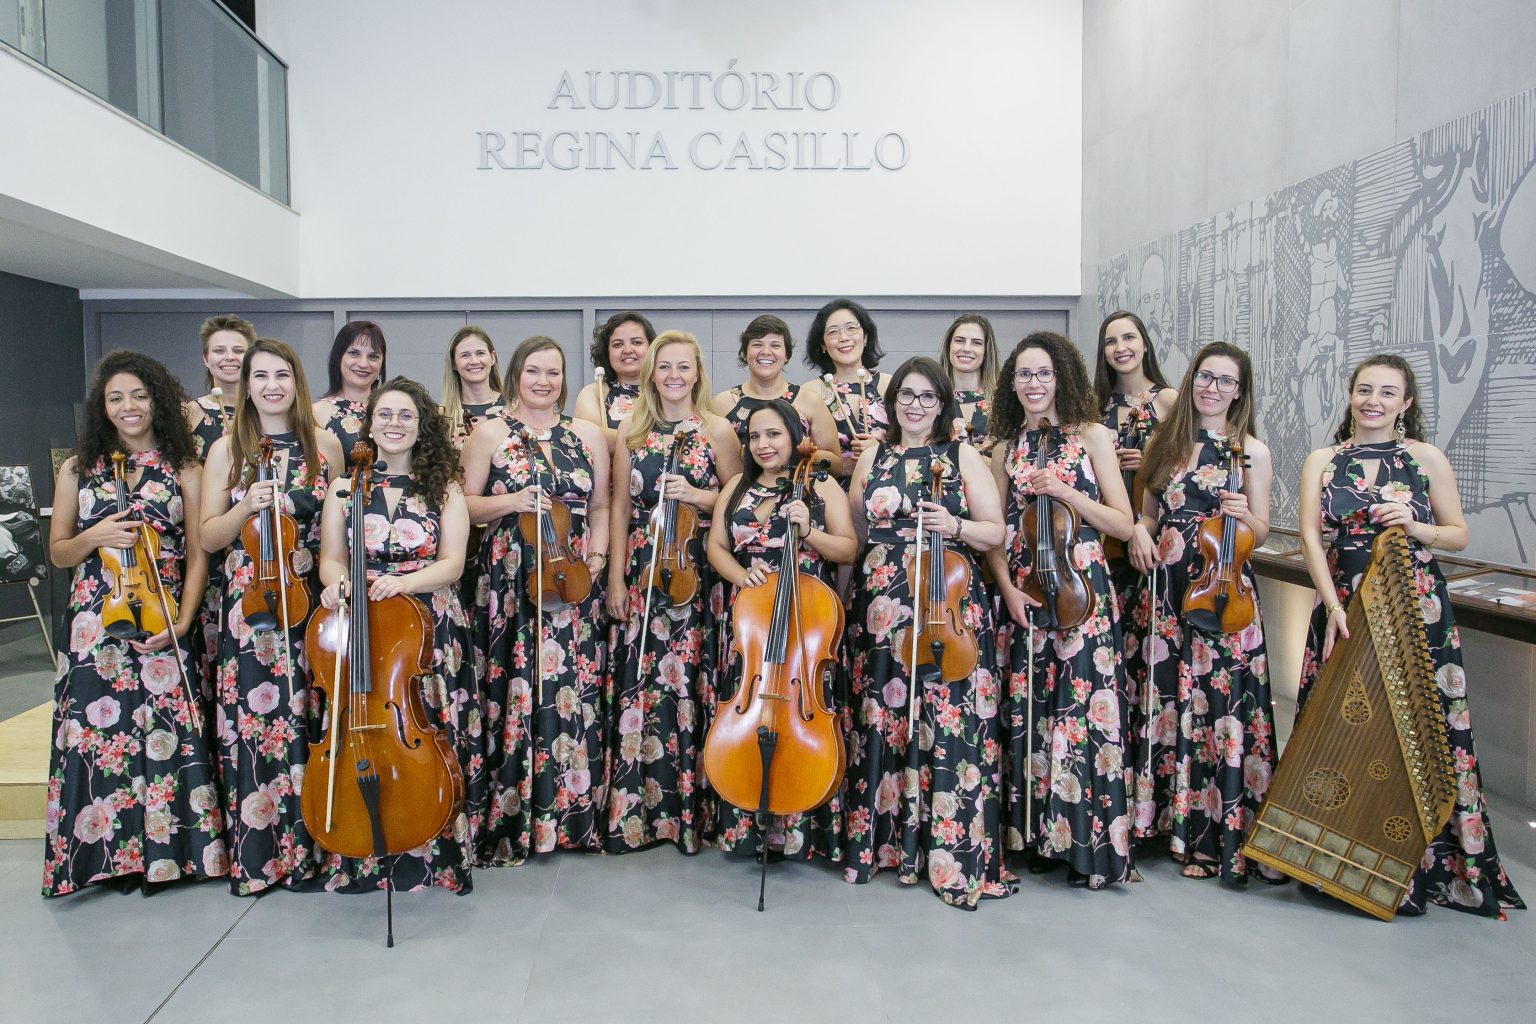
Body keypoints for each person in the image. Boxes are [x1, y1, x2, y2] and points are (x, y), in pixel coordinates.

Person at [1295, 354, 1524, 917]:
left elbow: (1458, 533)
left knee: (1421, 734)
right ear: (1350, 395)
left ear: (1406, 403)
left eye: (1387, 392)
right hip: (1345, 605)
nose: (1374, 400)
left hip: (1415, 609)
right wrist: (1331, 606)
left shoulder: (1425, 459)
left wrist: (1418, 526)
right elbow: (1309, 537)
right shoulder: (1323, 460)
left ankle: (1420, 868)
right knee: (1339, 731)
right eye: (1364, 389)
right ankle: (1336, 863)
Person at [43, 350, 223, 896]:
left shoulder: (185, 466)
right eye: (116, 397)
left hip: (161, 613)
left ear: (158, 400)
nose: (129, 407)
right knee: (100, 735)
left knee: (166, 736)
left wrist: (185, 620)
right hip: (96, 624)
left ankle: (169, 857)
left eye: (139, 395)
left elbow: (197, 553)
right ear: (103, 407)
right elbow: (57, 553)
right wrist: (93, 537)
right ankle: (107, 858)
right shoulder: (78, 468)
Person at [842, 356, 1009, 909]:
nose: (915, 405)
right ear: (892, 403)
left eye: (927, 397)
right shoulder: (873, 454)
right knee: (884, 718)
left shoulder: (962, 454)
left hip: (946, 604)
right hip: (883, 609)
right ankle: (887, 847)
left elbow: (995, 530)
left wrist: (954, 526)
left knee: (948, 719)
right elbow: (858, 531)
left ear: (943, 404)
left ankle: (948, 850)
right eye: (906, 396)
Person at [312, 377, 482, 893]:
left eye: (405, 415)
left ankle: (438, 855)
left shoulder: (445, 487)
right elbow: (330, 560)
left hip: (427, 627)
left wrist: (402, 582)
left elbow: (452, 564)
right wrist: (337, 586)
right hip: (363, 625)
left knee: (428, 733)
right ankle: (363, 849)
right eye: (384, 414)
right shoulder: (346, 488)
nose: (394, 423)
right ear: (370, 424)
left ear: (422, 425)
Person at [987, 332, 1135, 889]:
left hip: (1083, 587)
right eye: (1024, 375)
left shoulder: (1092, 436)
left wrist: (1069, 493)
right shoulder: (1005, 448)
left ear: (1063, 378)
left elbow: (1124, 523)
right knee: (1035, 711)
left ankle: (1089, 847)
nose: (1033, 384)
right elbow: (996, 531)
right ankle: (1043, 838)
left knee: (1082, 714)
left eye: (1044, 373)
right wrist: (1006, 589)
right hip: (1029, 587)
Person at [1127, 342, 1279, 882]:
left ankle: (1217, 834)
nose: (1212, 388)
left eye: (1225, 381)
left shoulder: (1250, 452)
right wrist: (1140, 536)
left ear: (1240, 391)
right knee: (1169, 700)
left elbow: (1259, 531)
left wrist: (1246, 517)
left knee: (1218, 708)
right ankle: (1166, 823)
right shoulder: (1164, 444)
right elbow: (1148, 514)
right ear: (1192, 381)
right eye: (1205, 377)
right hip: (1167, 592)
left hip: (1223, 594)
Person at [199, 340, 342, 894]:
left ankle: (317, 848)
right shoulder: (226, 448)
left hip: (312, 595)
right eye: (261, 376)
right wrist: (244, 507)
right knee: (261, 725)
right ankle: (265, 857)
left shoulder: (322, 445)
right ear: (247, 385)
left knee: (312, 718)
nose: (272, 385)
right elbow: (208, 536)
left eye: (282, 374)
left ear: (297, 381)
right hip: (254, 604)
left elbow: (343, 520)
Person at [462, 337, 611, 862]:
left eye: (553, 372)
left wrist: (596, 561)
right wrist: (512, 499)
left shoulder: (587, 434)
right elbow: (466, 507)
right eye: (532, 371)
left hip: (571, 580)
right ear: (516, 376)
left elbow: (599, 507)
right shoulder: (490, 432)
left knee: (569, 691)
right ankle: (515, 815)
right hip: (510, 579)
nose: (543, 381)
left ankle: (570, 817)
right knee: (518, 689)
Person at [604, 330, 741, 853]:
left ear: (698, 373)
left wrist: (700, 495)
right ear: (650, 373)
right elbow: (617, 508)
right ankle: (639, 812)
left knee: (685, 681)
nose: (674, 376)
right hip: (643, 566)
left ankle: (689, 812)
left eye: (684, 367)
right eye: (665, 367)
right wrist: (615, 576)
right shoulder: (630, 432)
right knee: (642, 682)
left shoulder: (717, 430)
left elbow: (737, 501)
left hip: (692, 569)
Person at [705, 398, 857, 861]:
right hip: (750, 620)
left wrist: (808, 532)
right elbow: (716, 545)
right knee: (749, 717)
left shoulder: (820, 484)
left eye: (773, 434)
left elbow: (848, 549)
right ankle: (746, 826)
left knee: (801, 717)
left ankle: (803, 831)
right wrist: (738, 575)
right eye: (754, 436)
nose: (763, 444)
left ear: (794, 436)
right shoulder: (736, 485)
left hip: (805, 623)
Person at [1094, 310, 1177, 791]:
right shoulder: (1095, 404)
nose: (1121, 347)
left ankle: (1149, 785)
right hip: (1103, 543)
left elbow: (1186, 459)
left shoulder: (1166, 400)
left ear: (1145, 344)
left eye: (1129, 338)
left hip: (1150, 540)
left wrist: (1148, 459)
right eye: (1110, 340)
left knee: (1148, 662)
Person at [712, 314, 839, 453]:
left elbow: (835, 463)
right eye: (757, 344)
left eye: (775, 345)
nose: (766, 351)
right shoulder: (721, 404)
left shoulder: (810, 401)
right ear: (744, 353)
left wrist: (801, 453)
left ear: (787, 355)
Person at [799, 300, 890, 478]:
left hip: (886, 491)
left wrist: (880, 451)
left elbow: (917, 445)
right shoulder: (808, 393)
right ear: (823, 345)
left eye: (851, 328)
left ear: (865, 336)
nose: (843, 337)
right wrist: (838, 466)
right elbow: (798, 456)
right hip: (830, 493)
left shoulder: (892, 385)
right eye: (833, 332)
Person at [573, 311, 655, 447]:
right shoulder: (594, 393)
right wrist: (657, 442)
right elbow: (591, 439)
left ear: (652, 348)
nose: (628, 350)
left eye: (636, 342)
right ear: (607, 352)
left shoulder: (666, 390)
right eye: (618, 344)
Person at [184, 315, 255, 463]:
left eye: (238, 350)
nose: (229, 357)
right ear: (206, 359)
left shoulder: (267, 410)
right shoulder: (189, 414)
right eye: (219, 351)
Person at [312, 321, 387, 455]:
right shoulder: (316, 413)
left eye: (373, 356)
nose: (364, 364)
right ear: (338, 357)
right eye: (354, 353)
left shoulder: (391, 410)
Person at [939, 314, 1000, 453]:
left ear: (986, 350)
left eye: (976, 342)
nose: (966, 348)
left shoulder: (1003, 400)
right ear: (949, 346)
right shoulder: (932, 399)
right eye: (959, 341)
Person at [441, 325, 505, 449]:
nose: (474, 361)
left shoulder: (515, 408)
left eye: (480, 353)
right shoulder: (443, 417)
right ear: (454, 363)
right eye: (465, 355)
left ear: (492, 358)